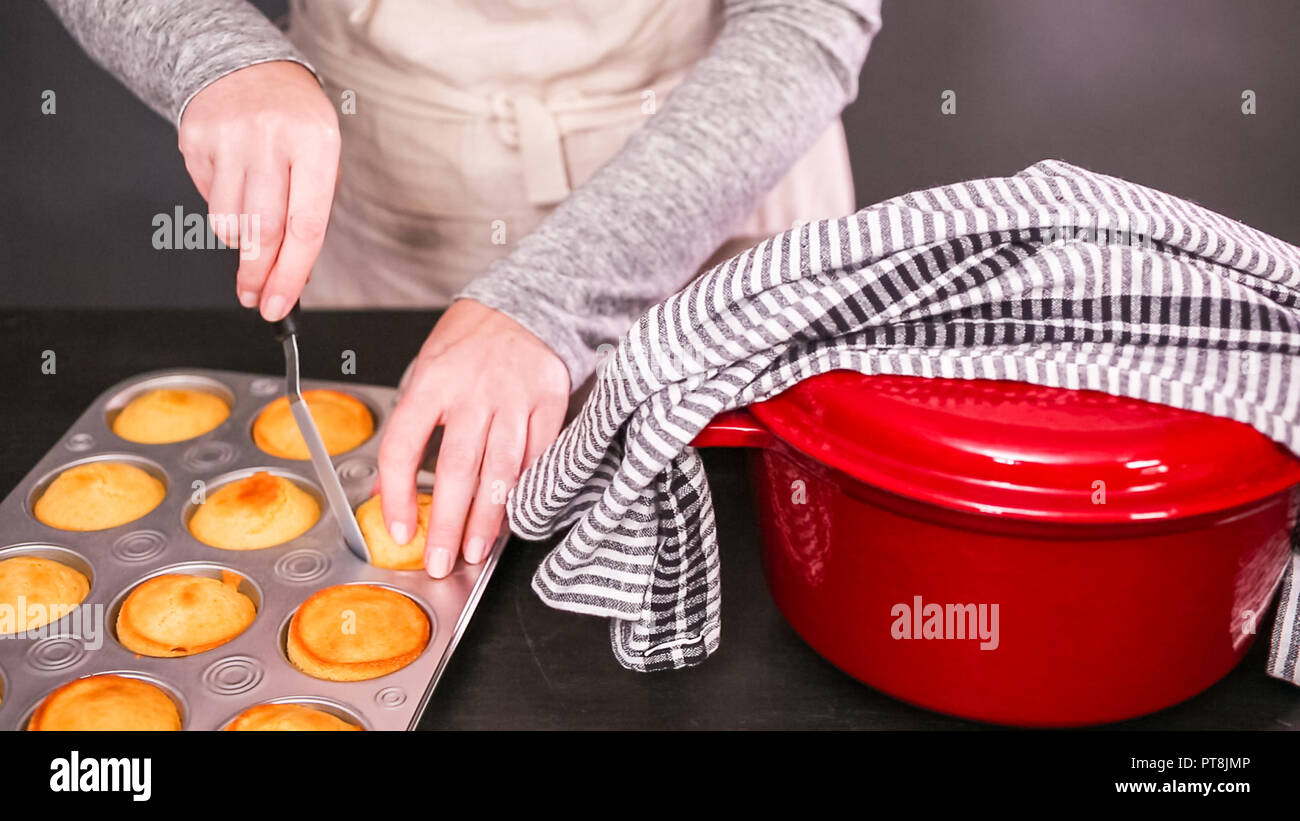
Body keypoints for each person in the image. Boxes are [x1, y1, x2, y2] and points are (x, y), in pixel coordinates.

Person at [46, 0, 882, 578]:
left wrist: (552, 293)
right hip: (389, 191)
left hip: (712, 202)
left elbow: (808, 18)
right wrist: (222, 56)